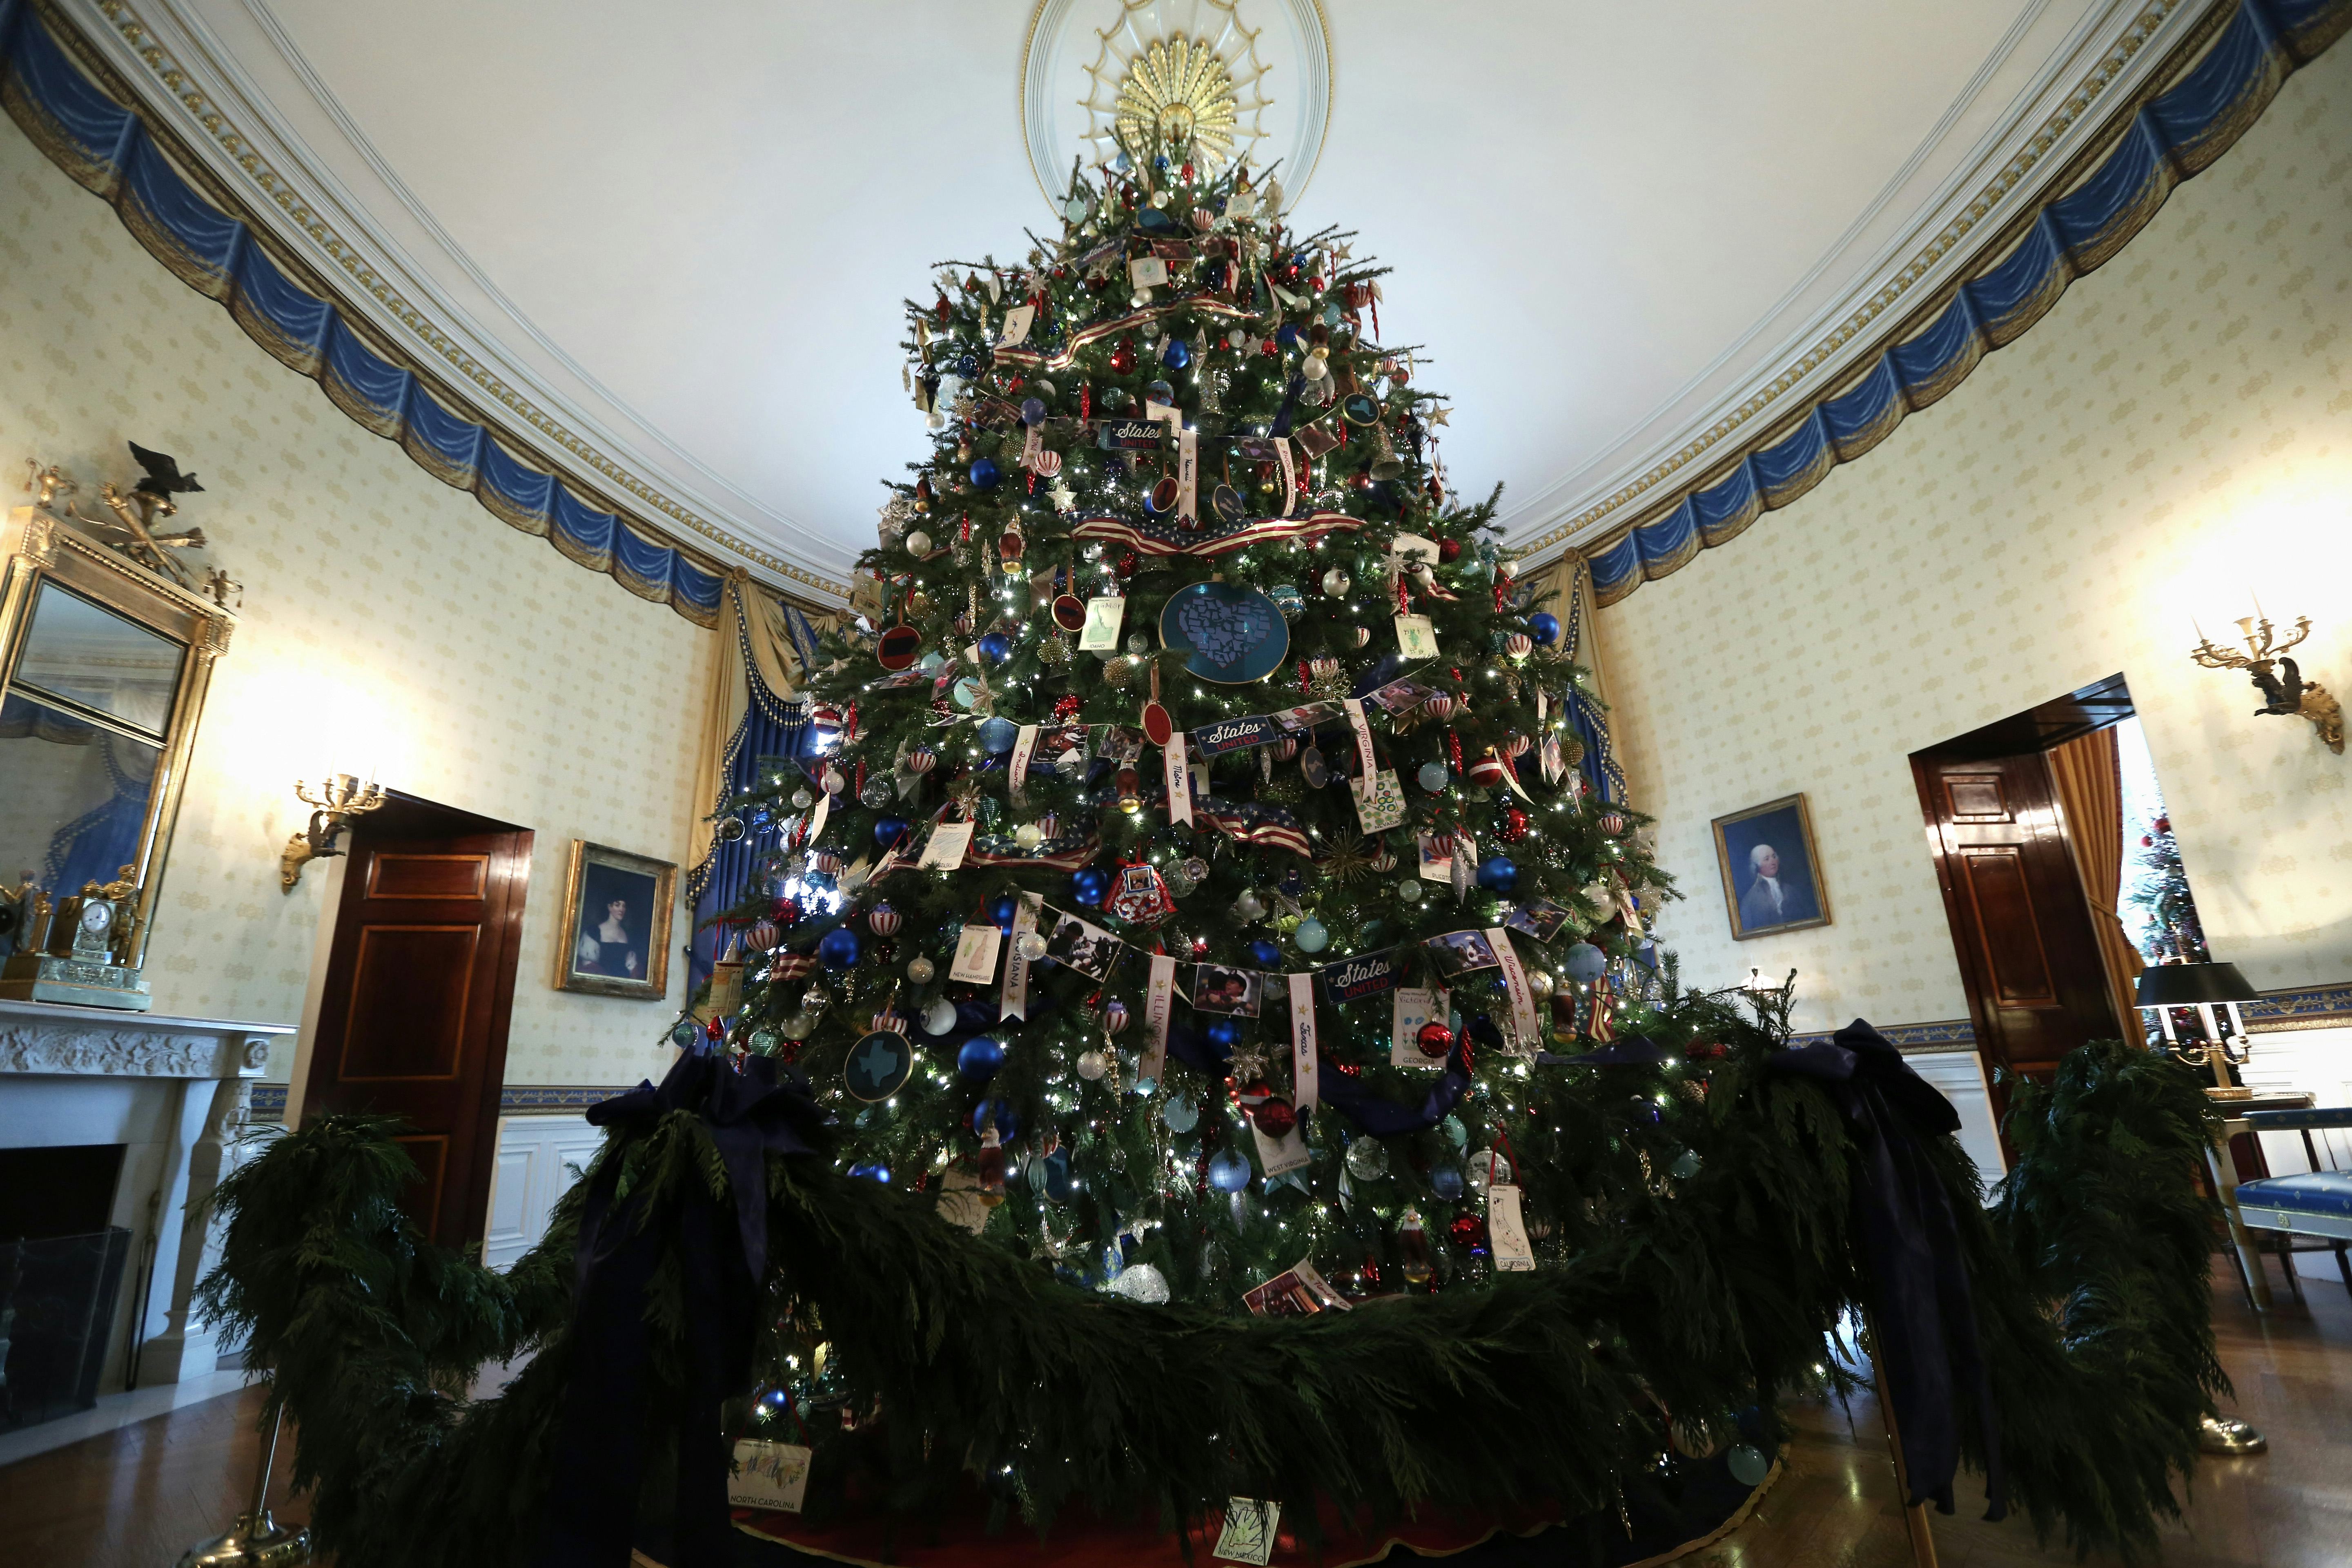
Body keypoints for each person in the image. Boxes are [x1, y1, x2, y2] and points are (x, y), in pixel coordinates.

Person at [1739, 842, 1815, 930]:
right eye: (1767, 859)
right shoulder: (1750, 899)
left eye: (1774, 857)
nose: (1773, 862)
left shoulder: (1791, 890)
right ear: (1757, 865)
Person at [576, 895, 644, 978]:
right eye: (617, 905)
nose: (621, 909)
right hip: (601, 980)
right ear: (610, 907)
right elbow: (588, 967)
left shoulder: (628, 933)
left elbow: (633, 965)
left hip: (624, 980)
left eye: (624, 906)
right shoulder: (594, 932)